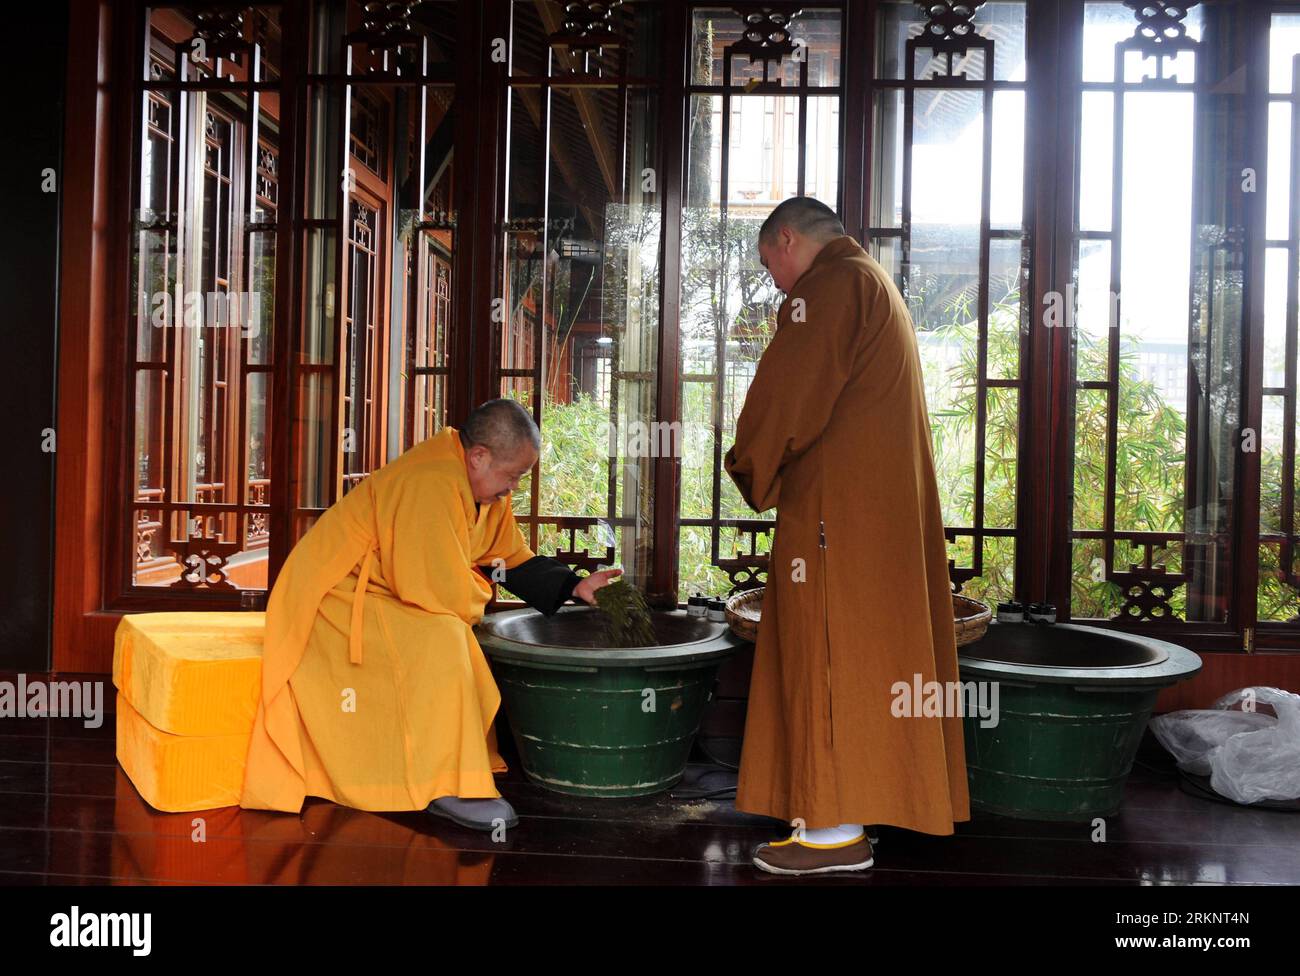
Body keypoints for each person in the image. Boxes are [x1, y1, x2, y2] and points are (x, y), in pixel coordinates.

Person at [724, 197, 970, 876]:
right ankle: (852, 815)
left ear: (786, 239)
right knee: (861, 662)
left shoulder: (830, 286)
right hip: (869, 517)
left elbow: (786, 397)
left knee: (826, 656)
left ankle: (832, 833)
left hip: (836, 520)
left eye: (770, 264)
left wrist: (748, 464)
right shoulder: (873, 280)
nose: (776, 282)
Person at [239, 398, 623, 829]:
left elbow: (505, 556)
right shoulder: (431, 479)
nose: (511, 488)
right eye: (512, 475)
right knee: (442, 639)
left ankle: (451, 767)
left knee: (449, 634)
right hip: (334, 597)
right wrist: (474, 597)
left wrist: (573, 585)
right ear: (478, 456)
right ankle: (444, 782)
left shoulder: (480, 487)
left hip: (388, 589)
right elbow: (434, 588)